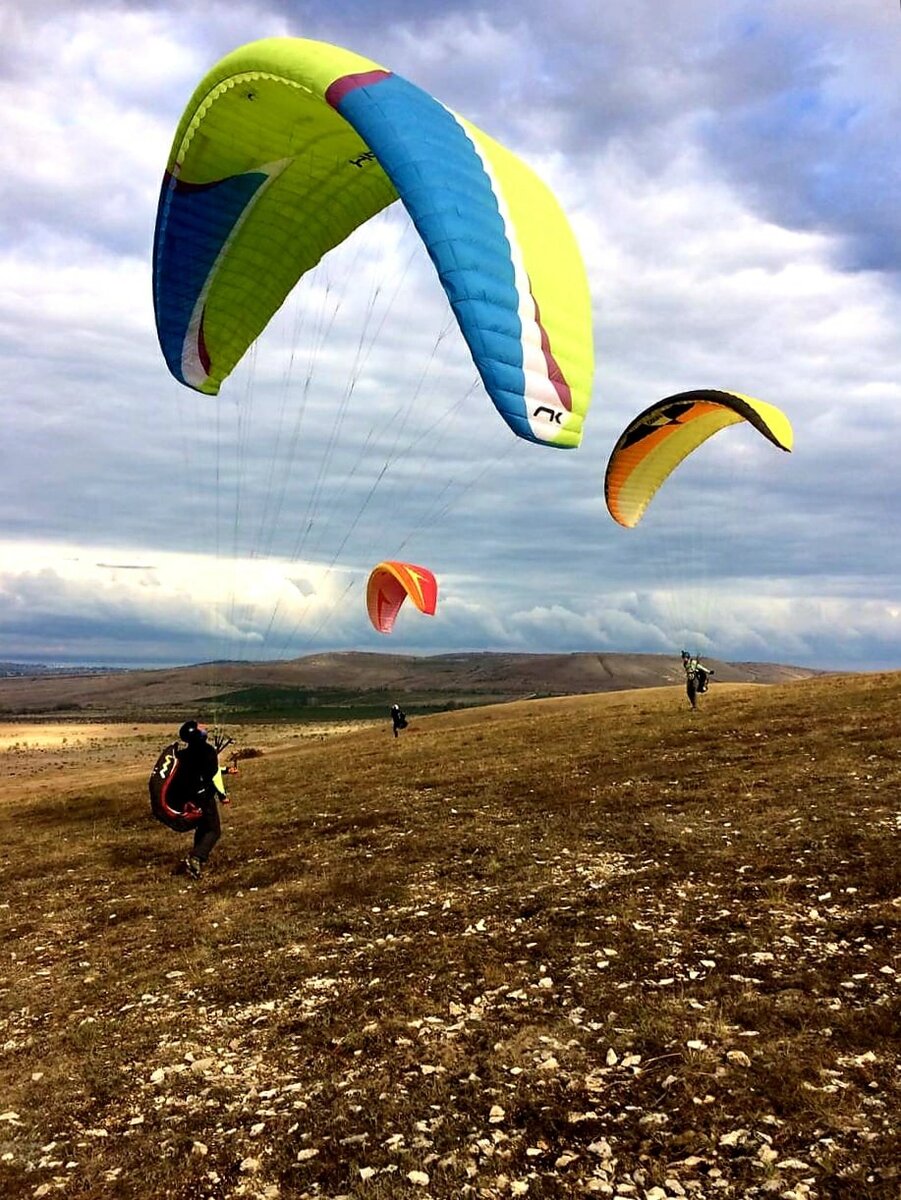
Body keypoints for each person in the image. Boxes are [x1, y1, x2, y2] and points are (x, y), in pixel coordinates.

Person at [171, 720, 234, 878]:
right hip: (203, 797)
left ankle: (193, 861)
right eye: (200, 728)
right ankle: (196, 858)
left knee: (203, 828)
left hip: (188, 797)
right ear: (197, 735)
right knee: (213, 830)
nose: (204, 728)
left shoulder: (183, 754)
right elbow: (213, 775)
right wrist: (222, 795)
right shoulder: (207, 751)